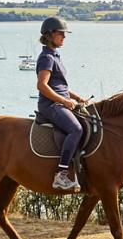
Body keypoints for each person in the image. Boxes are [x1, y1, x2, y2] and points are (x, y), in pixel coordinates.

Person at [34, 16, 89, 193]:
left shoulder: (55, 55)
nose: (64, 37)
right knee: (76, 130)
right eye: (61, 33)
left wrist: (78, 98)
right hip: (50, 105)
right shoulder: (46, 58)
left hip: (59, 102)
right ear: (49, 35)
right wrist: (64, 101)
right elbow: (42, 85)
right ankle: (61, 175)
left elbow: (61, 87)